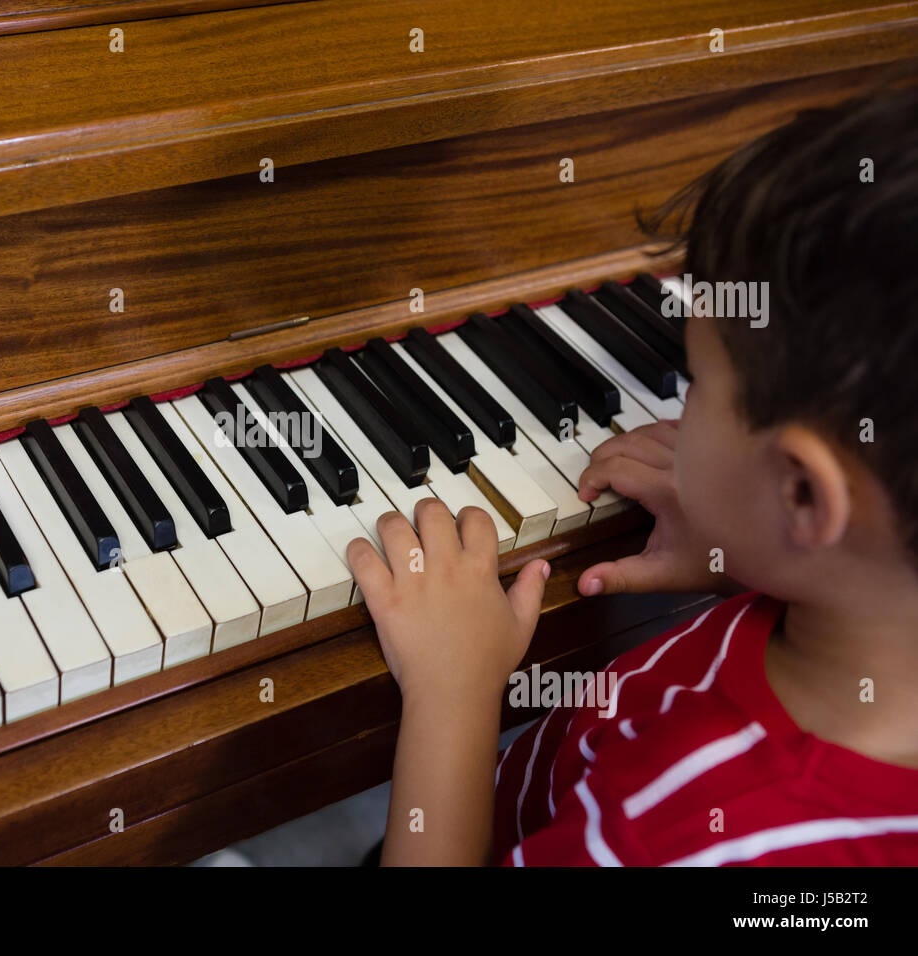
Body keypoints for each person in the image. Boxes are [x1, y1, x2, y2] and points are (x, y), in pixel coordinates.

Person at [349, 83, 918, 866]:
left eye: (697, 380)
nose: (681, 404)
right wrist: (751, 559)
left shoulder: (685, 836)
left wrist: (454, 692)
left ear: (804, 493)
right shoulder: (862, 609)